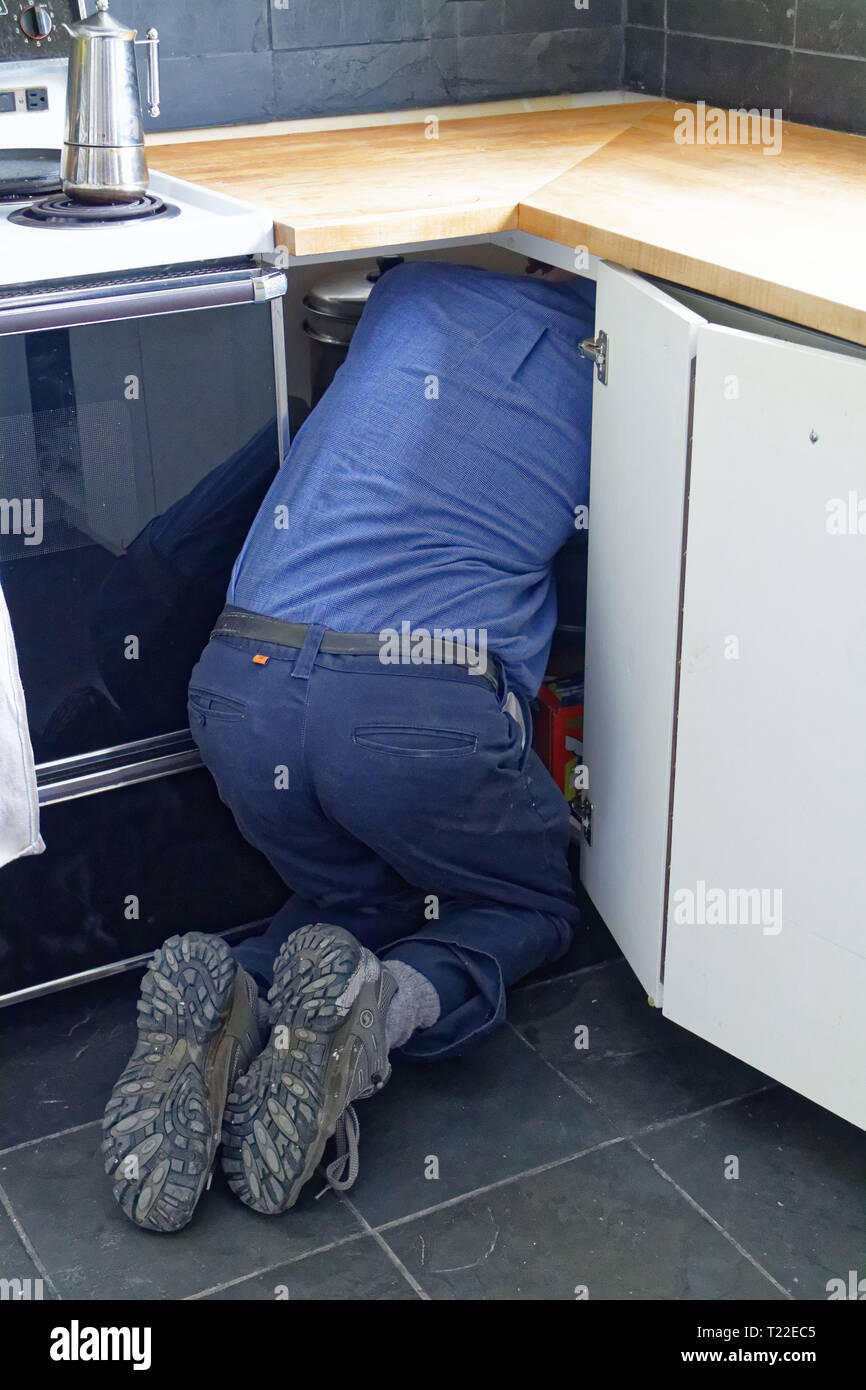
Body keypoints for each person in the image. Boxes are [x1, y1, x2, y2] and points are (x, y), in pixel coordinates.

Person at [102, 259, 595, 1232]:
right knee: (523, 899)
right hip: (405, 715)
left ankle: (235, 987)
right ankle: (376, 1012)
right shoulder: (612, 354)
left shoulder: (407, 295)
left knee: (356, 893)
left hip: (239, 689)